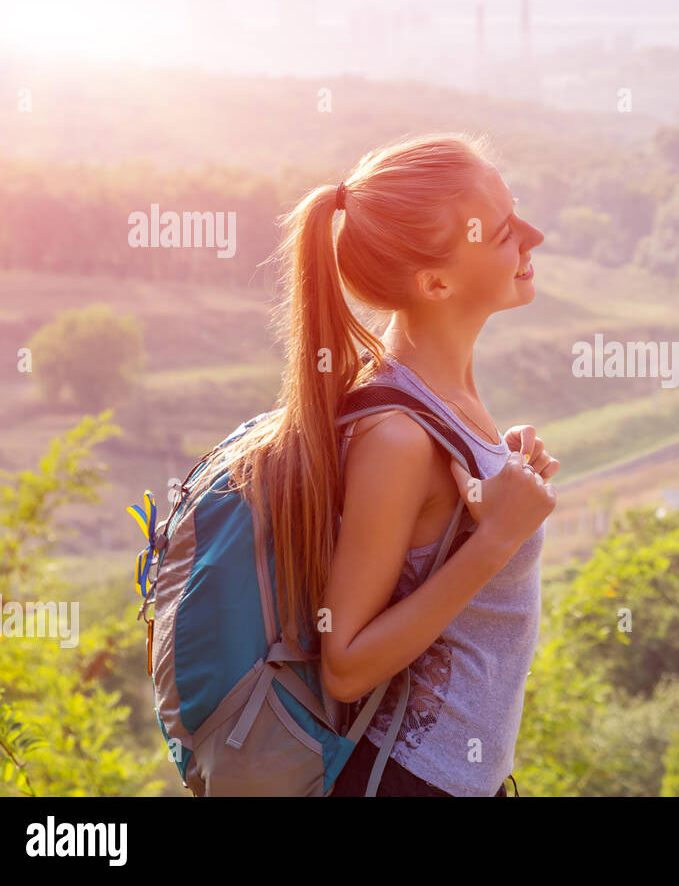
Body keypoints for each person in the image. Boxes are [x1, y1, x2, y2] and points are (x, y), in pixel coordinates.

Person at [213, 132, 558, 797]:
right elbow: (344, 664)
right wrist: (495, 540)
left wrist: (498, 487)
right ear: (435, 282)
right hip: (408, 780)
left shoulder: (447, 398)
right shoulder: (396, 437)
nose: (534, 235)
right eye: (505, 230)